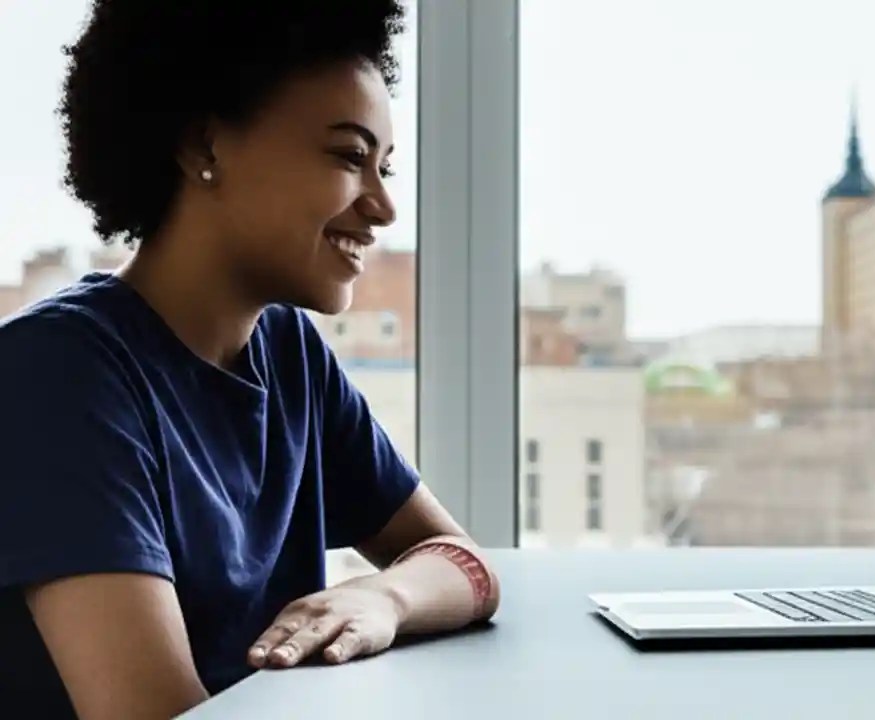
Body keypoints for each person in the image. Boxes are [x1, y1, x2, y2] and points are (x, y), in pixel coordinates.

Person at [0, 1, 500, 718]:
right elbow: (156, 712)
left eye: (384, 166)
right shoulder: (56, 376)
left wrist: (383, 597)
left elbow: (467, 564)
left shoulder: (289, 352)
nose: (384, 206)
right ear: (206, 147)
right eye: (349, 156)